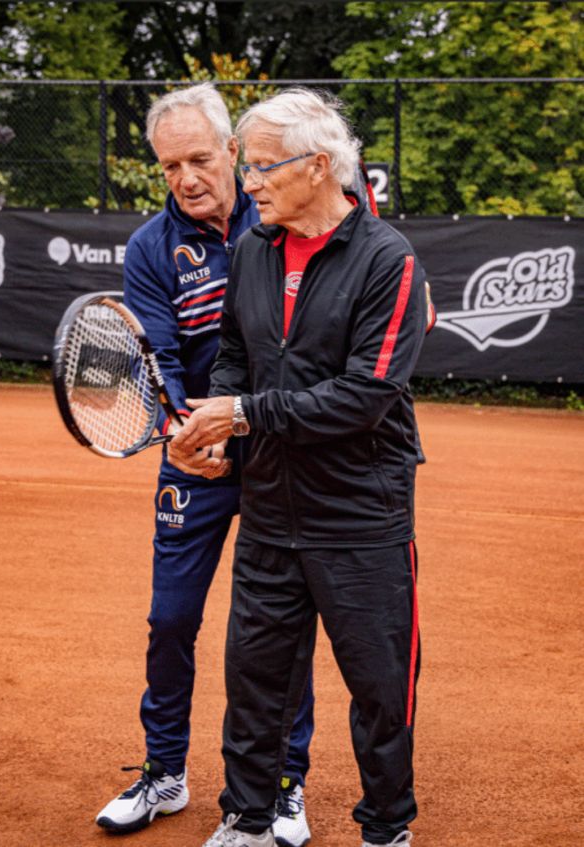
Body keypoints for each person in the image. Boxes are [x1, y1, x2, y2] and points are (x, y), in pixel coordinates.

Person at [168, 88, 429, 847]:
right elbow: (237, 358)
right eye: (247, 166)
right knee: (255, 678)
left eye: (260, 166)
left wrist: (245, 415)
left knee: (382, 688)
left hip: (362, 515)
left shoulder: (388, 258)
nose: (246, 182)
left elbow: (368, 395)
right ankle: (247, 820)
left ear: (318, 167)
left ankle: (386, 828)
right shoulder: (254, 248)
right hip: (271, 508)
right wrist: (218, 429)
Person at [95, 83, 315, 847]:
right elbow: (155, 361)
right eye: (168, 166)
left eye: (198, 158)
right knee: (171, 618)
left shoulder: (287, 210)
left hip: (285, 449)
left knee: (280, 626)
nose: (185, 177)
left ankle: (285, 786)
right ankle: (164, 770)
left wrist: (246, 421)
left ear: (231, 152)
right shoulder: (153, 248)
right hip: (196, 450)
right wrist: (190, 431)